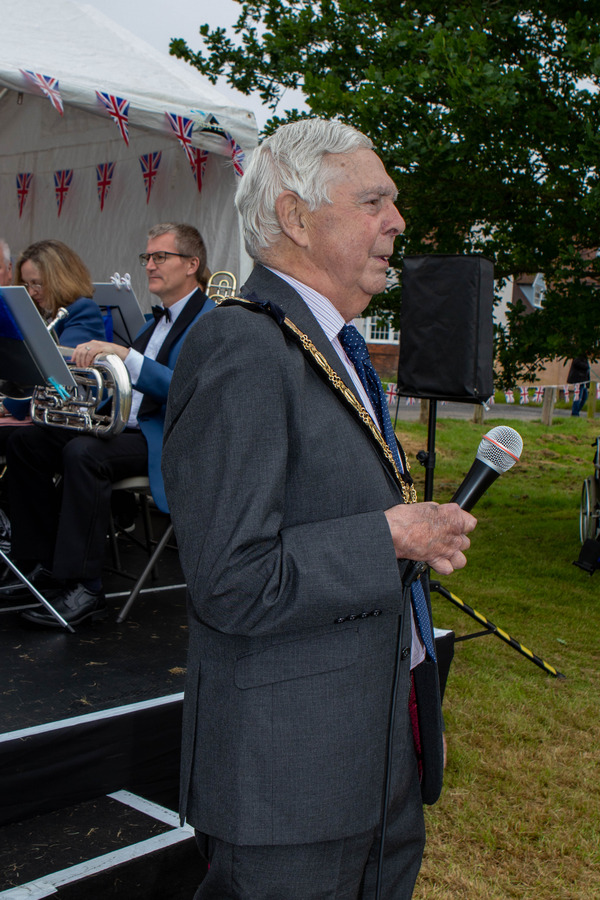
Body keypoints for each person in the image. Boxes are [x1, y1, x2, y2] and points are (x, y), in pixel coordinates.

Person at [162, 119, 477, 899]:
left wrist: (402, 532)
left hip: (375, 754)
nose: (396, 222)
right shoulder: (243, 345)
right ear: (297, 218)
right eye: (372, 200)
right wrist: (388, 537)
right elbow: (231, 579)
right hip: (290, 779)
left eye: (393, 202)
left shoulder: (329, 341)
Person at [4, 223, 215, 626]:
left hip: (165, 438)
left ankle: (85, 587)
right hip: (123, 426)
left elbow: (186, 390)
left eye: (160, 257)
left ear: (192, 264)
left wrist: (123, 354)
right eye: (147, 257)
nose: (149, 265)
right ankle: (39, 563)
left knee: (83, 453)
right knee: (26, 444)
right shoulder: (152, 325)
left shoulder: (211, 320)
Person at [1, 239, 106, 427]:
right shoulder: (44, 312)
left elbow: (58, 369)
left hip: (71, 418)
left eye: (37, 284)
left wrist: (8, 406)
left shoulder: (83, 309)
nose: (31, 293)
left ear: (60, 279)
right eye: (26, 285)